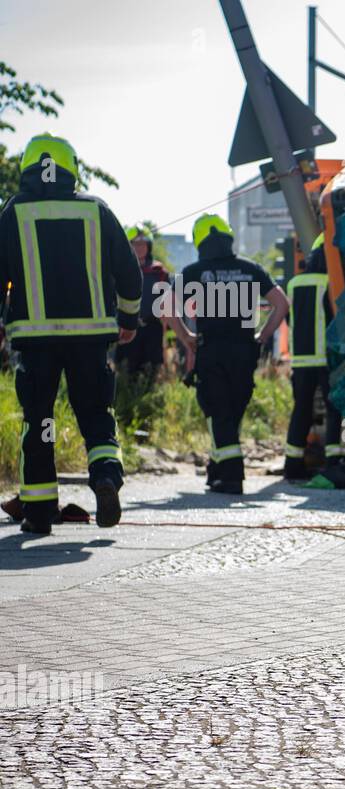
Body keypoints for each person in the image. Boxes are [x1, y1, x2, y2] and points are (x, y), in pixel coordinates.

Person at [0, 134, 143, 535]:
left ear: (29, 168)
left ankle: (40, 512)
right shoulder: (97, 210)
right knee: (97, 416)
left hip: (35, 343)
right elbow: (130, 275)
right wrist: (129, 321)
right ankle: (105, 478)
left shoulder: (13, 212)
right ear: (71, 169)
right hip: (91, 340)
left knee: (40, 420)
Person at [172, 213, 288, 495]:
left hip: (212, 351)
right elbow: (281, 304)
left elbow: (166, 307)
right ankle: (217, 472)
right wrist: (262, 335)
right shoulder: (250, 269)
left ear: (200, 242)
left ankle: (233, 477)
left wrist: (186, 337)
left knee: (218, 411)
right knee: (229, 414)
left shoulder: (194, 272)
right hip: (244, 351)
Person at [267, 234, 344, 480]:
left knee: (301, 410)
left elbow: (291, 319)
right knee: (341, 409)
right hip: (327, 358)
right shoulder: (331, 282)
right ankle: (338, 456)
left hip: (301, 359)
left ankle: (293, 462)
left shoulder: (294, 284)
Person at [114, 225, 170, 380]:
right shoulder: (119, 271)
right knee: (126, 370)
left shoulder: (159, 272)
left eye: (142, 244)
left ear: (149, 246)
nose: (139, 247)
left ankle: (148, 401)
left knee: (151, 370)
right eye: (135, 244)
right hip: (126, 325)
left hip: (152, 328)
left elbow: (167, 305)